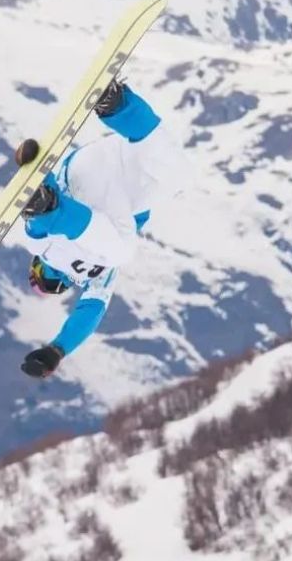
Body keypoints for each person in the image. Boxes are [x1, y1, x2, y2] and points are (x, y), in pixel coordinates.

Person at [17, 78, 189, 378]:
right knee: (180, 178)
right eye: (47, 289)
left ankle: (44, 207)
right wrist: (57, 350)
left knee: (117, 251)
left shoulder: (48, 253)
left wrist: (36, 187)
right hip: (116, 176)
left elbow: (35, 237)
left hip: (79, 184)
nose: (47, 286)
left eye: (38, 281)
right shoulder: (96, 277)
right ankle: (118, 105)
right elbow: (90, 312)